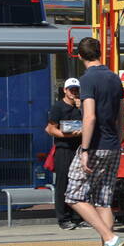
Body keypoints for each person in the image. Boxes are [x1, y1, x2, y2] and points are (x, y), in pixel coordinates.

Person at [65, 36, 124, 246]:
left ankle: (111, 240)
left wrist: (84, 149)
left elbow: (89, 117)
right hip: (113, 145)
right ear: (100, 52)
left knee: (73, 196)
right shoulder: (113, 77)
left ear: (79, 56)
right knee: (103, 201)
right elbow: (122, 114)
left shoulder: (87, 79)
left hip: (96, 145)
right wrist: (120, 137)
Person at [45, 78, 84, 230]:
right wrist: (66, 135)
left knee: (79, 183)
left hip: (79, 148)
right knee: (63, 183)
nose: (74, 92)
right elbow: (49, 129)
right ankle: (63, 218)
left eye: (76, 90)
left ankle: (78, 217)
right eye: (71, 90)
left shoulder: (82, 106)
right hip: (64, 148)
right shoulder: (58, 107)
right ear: (65, 90)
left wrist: (82, 108)